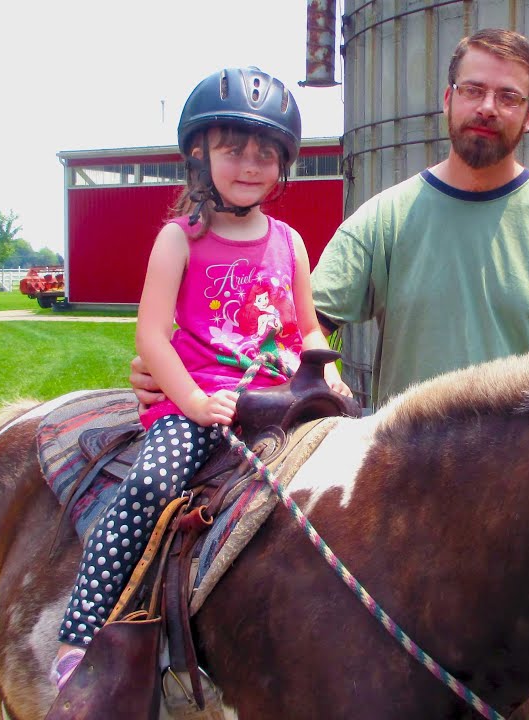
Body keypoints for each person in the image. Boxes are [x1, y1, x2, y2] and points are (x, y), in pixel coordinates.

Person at [130, 30, 529, 719]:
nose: (487, 106)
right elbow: (271, 327)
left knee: (517, 696)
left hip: (521, 530)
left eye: (507, 97)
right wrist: (167, 365)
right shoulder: (385, 220)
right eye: (473, 90)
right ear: (448, 101)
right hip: (409, 513)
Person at [49, 65, 351, 691]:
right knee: (151, 485)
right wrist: (189, 401)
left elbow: (308, 329)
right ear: (199, 155)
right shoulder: (179, 239)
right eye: (232, 149)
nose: (249, 164)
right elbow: (151, 337)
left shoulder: (290, 241)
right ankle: (85, 630)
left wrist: (331, 375)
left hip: (281, 398)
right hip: (201, 405)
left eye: (266, 153)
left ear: (283, 163)